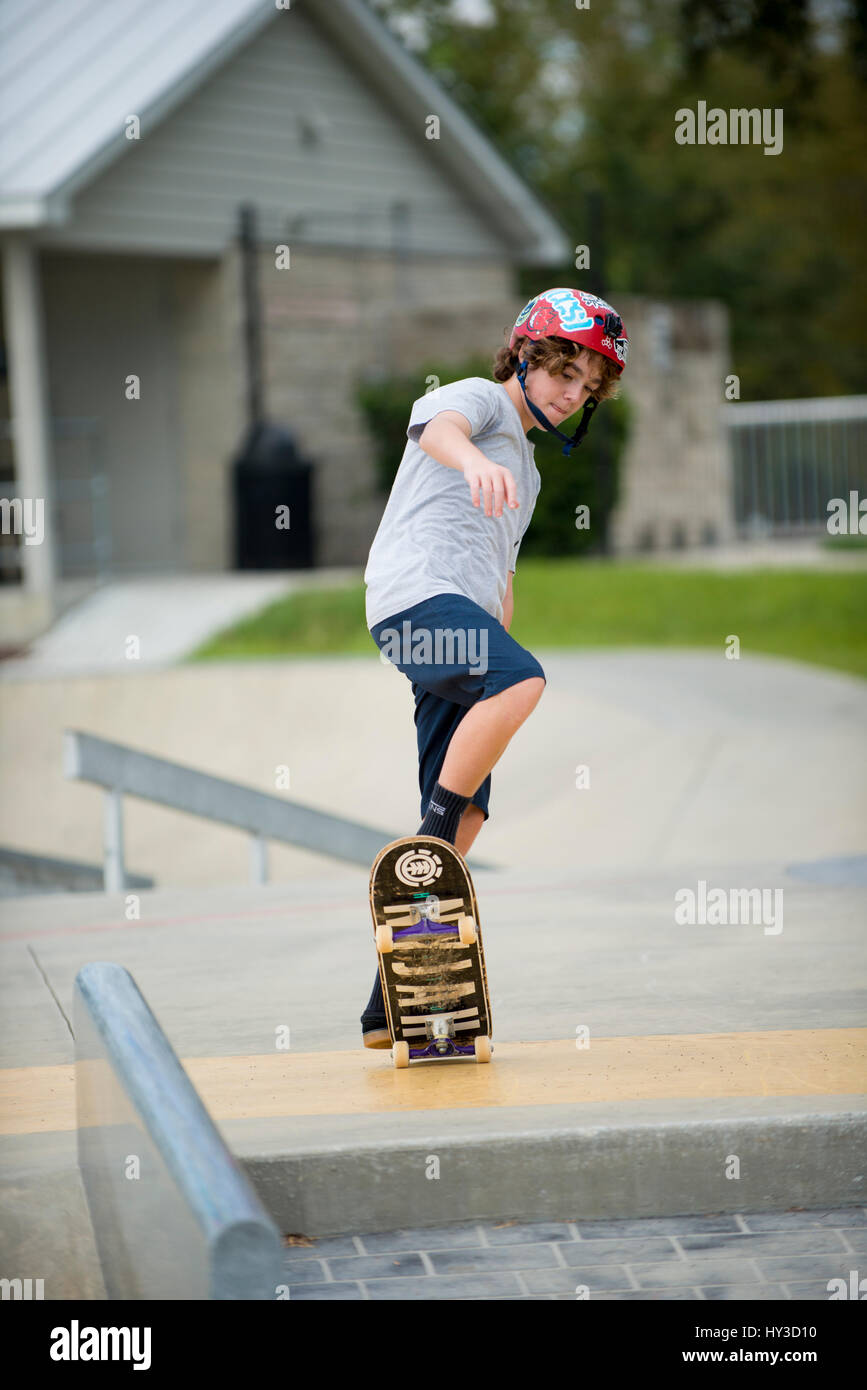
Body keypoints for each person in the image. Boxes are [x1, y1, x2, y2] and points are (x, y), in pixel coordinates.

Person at [360, 287, 629, 1047]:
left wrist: (498, 624)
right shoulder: (476, 401)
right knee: (521, 680)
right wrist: (474, 456)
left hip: (457, 627)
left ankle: (386, 1003)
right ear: (526, 357)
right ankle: (430, 850)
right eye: (561, 376)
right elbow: (436, 429)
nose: (570, 397)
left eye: (584, 390)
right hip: (413, 607)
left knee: (470, 805)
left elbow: (499, 574)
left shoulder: (531, 476)